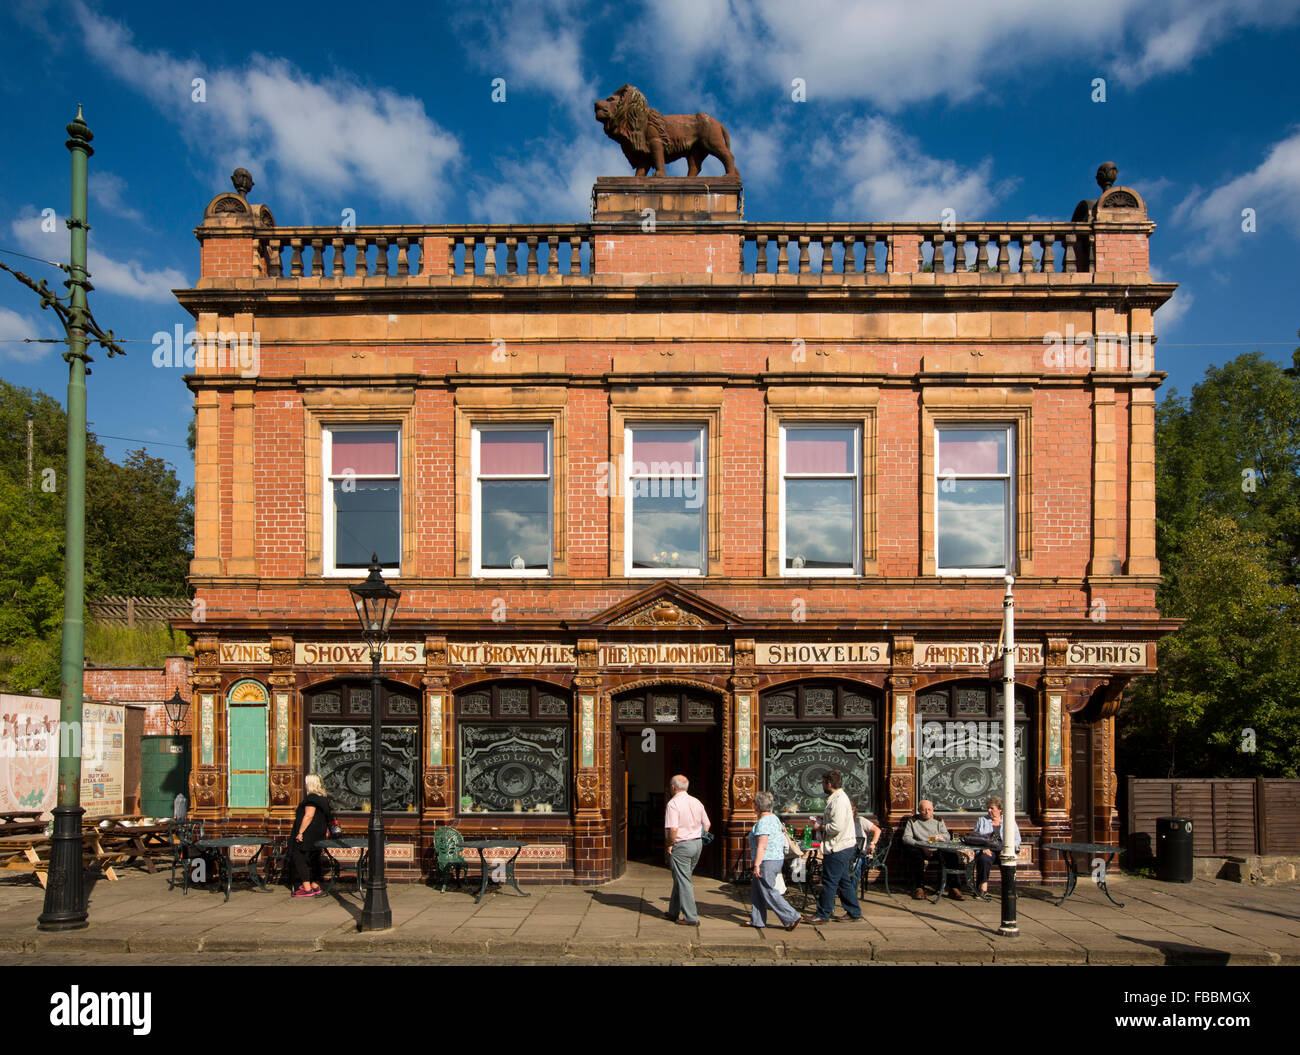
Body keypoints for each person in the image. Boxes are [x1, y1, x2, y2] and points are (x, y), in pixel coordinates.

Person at [809, 770, 862, 923]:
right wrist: (823, 819)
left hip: (838, 847)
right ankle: (854, 912)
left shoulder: (838, 800)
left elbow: (836, 827)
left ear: (829, 783)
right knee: (843, 881)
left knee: (829, 881)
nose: (822, 785)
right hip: (843, 845)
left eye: (823, 783)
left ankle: (823, 914)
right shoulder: (838, 798)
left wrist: (820, 826)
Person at [747, 790, 801, 930]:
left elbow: (762, 846)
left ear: (758, 806)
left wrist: (757, 865)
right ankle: (757, 920)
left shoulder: (763, 823)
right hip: (776, 858)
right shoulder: (774, 818)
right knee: (757, 890)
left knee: (768, 891)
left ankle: (792, 916)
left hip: (767, 861)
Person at [663, 774, 710, 925]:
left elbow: (673, 829)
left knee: (684, 881)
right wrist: (698, 835)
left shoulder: (673, 804)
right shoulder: (696, 802)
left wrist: (670, 844)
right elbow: (707, 824)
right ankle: (673, 911)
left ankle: (691, 917)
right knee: (681, 877)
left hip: (682, 845)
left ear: (673, 787)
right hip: (697, 844)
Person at [902, 799, 971, 900]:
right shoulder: (913, 821)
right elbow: (906, 838)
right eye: (924, 810)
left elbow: (947, 836)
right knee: (915, 856)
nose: (927, 812)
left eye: (929, 809)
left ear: (933, 810)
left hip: (937, 848)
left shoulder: (938, 820)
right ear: (919, 810)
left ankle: (954, 888)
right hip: (920, 848)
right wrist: (921, 846)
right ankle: (919, 888)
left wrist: (942, 837)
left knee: (952, 856)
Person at [288, 773, 333, 898]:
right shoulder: (323, 798)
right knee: (315, 858)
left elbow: (309, 815)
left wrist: (300, 832)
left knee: (299, 857)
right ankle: (314, 884)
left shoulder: (311, 798)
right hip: (319, 833)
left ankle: (306, 888)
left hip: (308, 833)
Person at [972, 796, 1022, 900]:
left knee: (1007, 860)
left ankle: (1009, 890)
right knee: (984, 859)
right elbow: (974, 837)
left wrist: (1008, 848)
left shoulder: (1009, 820)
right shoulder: (982, 820)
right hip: (988, 849)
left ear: (1000, 810)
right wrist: (982, 848)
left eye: (992, 808)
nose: (989, 811)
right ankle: (982, 888)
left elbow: (1017, 839)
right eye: (988, 808)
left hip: (1003, 849)